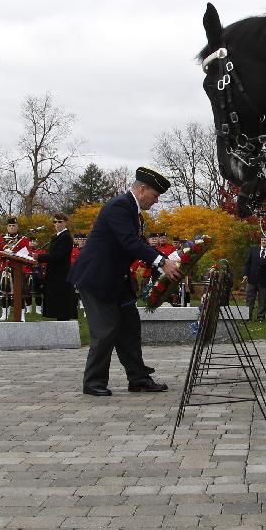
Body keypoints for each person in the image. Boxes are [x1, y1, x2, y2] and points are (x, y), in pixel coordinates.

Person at [68, 167, 182, 397]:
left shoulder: (132, 210)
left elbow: (138, 245)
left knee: (130, 328)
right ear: (142, 189)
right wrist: (162, 262)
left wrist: (168, 260)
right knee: (105, 330)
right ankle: (93, 382)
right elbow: (129, 242)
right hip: (97, 278)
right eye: (155, 195)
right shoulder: (119, 206)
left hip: (117, 280)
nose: (156, 201)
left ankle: (138, 378)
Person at [37, 212, 76, 320]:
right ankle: (60, 320)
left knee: (62, 301)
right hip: (55, 273)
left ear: (65, 223)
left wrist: (39, 257)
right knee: (57, 300)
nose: (57, 224)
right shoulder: (57, 236)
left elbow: (59, 256)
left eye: (60, 222)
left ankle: (63, 320)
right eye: (55, 222)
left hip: (61, 274)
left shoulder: (66, 237)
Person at [242, 237, 266, 322]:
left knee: (262, 300)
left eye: (265, 240)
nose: (263, 241)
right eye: (262, 240)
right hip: (252, 279)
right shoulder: (253, 250)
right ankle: (247, 317)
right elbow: (247, 263)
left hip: (265, 281)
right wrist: (245, 274)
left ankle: (260, 317)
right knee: (249, 299)